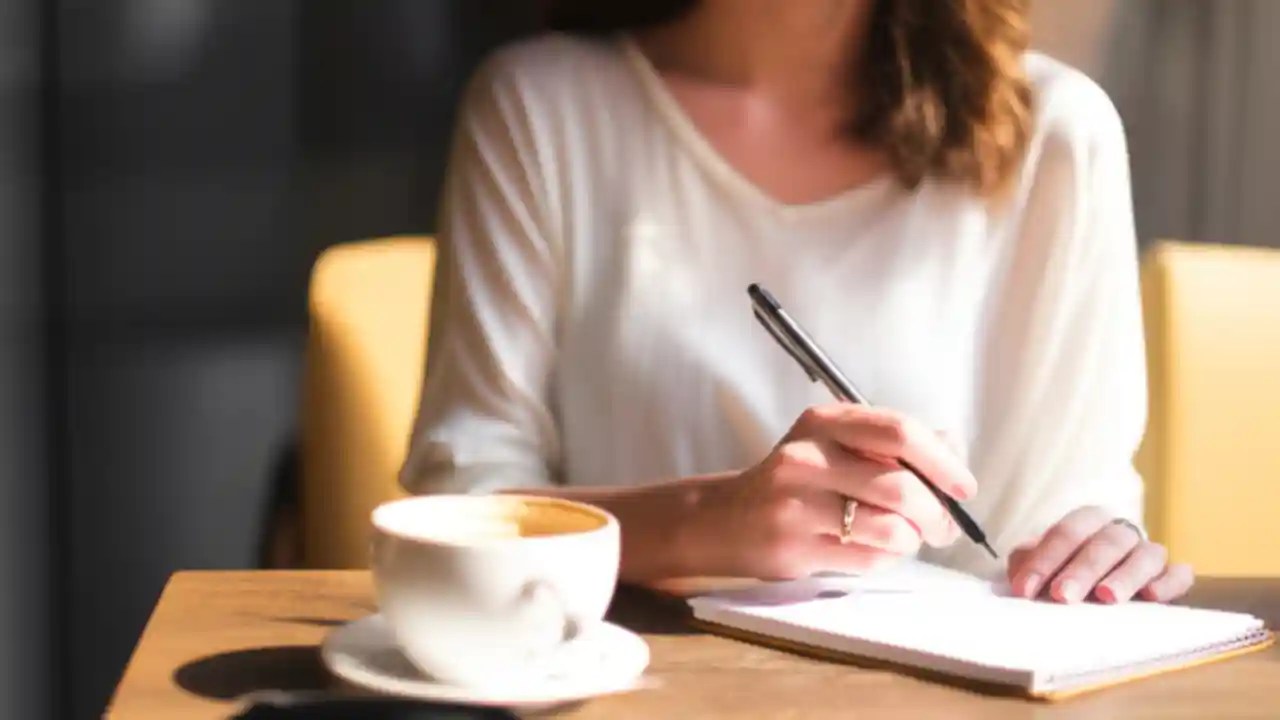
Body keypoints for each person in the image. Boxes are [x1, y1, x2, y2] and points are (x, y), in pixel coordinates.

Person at [400, 0, 1194, 605]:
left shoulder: (1058, 137)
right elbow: (456, 515)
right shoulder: (542, 111)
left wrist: (1100, 553)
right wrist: (709, 522)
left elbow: (1072, 506)